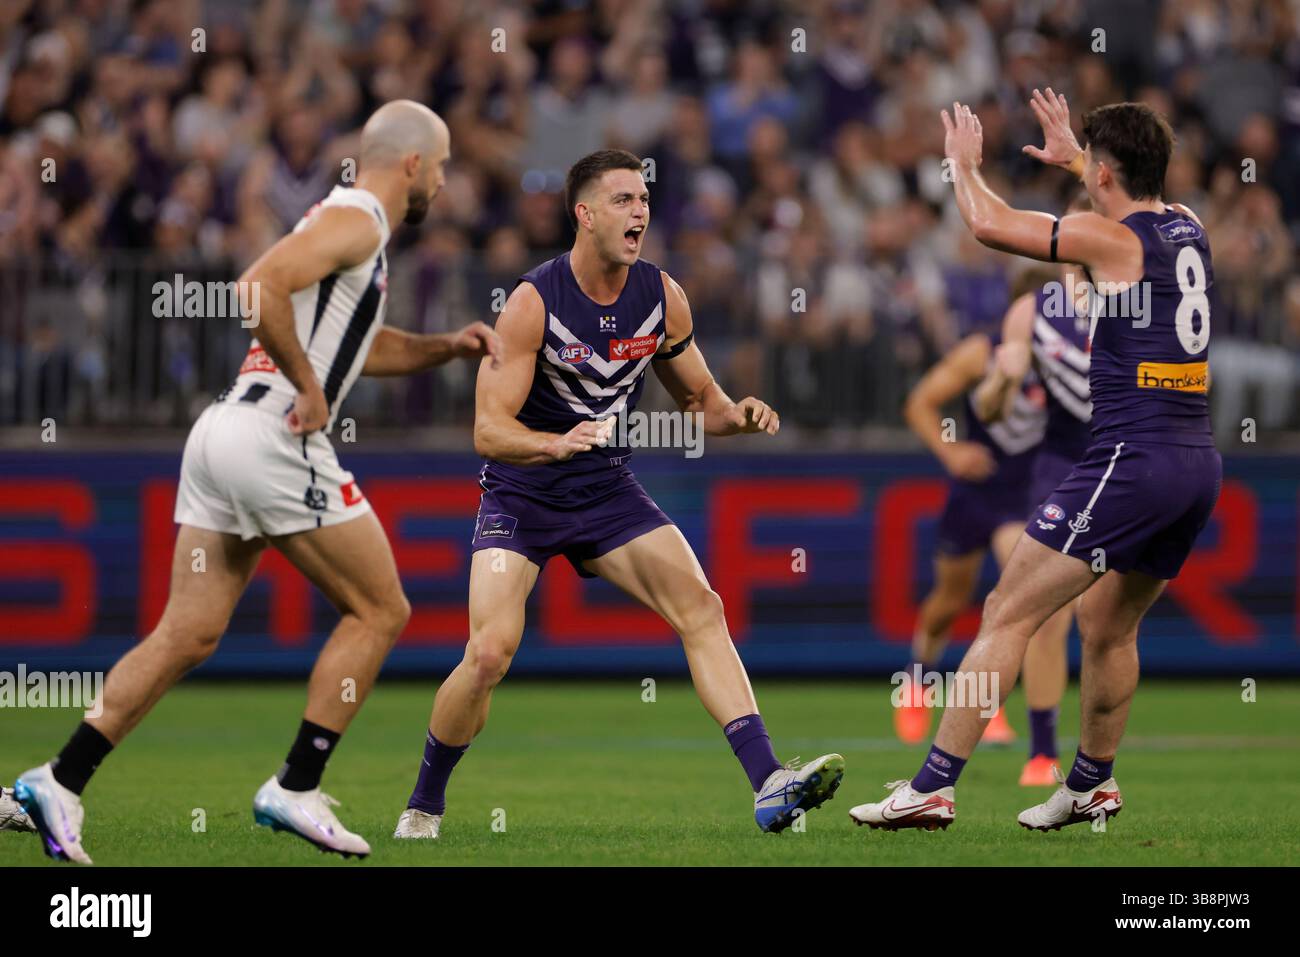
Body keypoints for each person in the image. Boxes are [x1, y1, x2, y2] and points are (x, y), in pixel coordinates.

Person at [16, 101, 501, 863]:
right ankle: (296, 784)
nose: (440, 185)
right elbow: (255, 288)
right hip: (276, 432)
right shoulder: (366, 218)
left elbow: (353, 346)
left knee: (188, 632)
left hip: (221, 433)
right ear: (410, 163)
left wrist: (445, 346)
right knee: (381, 608)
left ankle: (58, 779)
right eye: (439, 168)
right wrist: (309, 388)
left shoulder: (342, 222)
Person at [393, 149, 844, 840]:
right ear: (585, 213)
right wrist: (552, 443)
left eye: (643, 199)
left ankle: (768, 782)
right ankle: (423, 803)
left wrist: (739, 414)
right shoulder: (532, 302)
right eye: (625, 200)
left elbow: (701, 401)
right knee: (488, 654)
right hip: (522, 492)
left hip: (604, 486)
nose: (641, 212)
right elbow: (487, 429)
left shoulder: (661, 296)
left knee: (701, 605)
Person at [850, 89, 1219, 831]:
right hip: (1196, 462)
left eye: (1093, 168)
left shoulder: (1110, 239)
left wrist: (960, 166)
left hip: (1129, 455)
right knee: (1110, 627)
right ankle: (1089, 784)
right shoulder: (1191, 226)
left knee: (1005, 610)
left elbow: (989, 223)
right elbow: (1126, 194)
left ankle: (931, 786)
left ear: (1107, 178)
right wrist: (1083, 159)